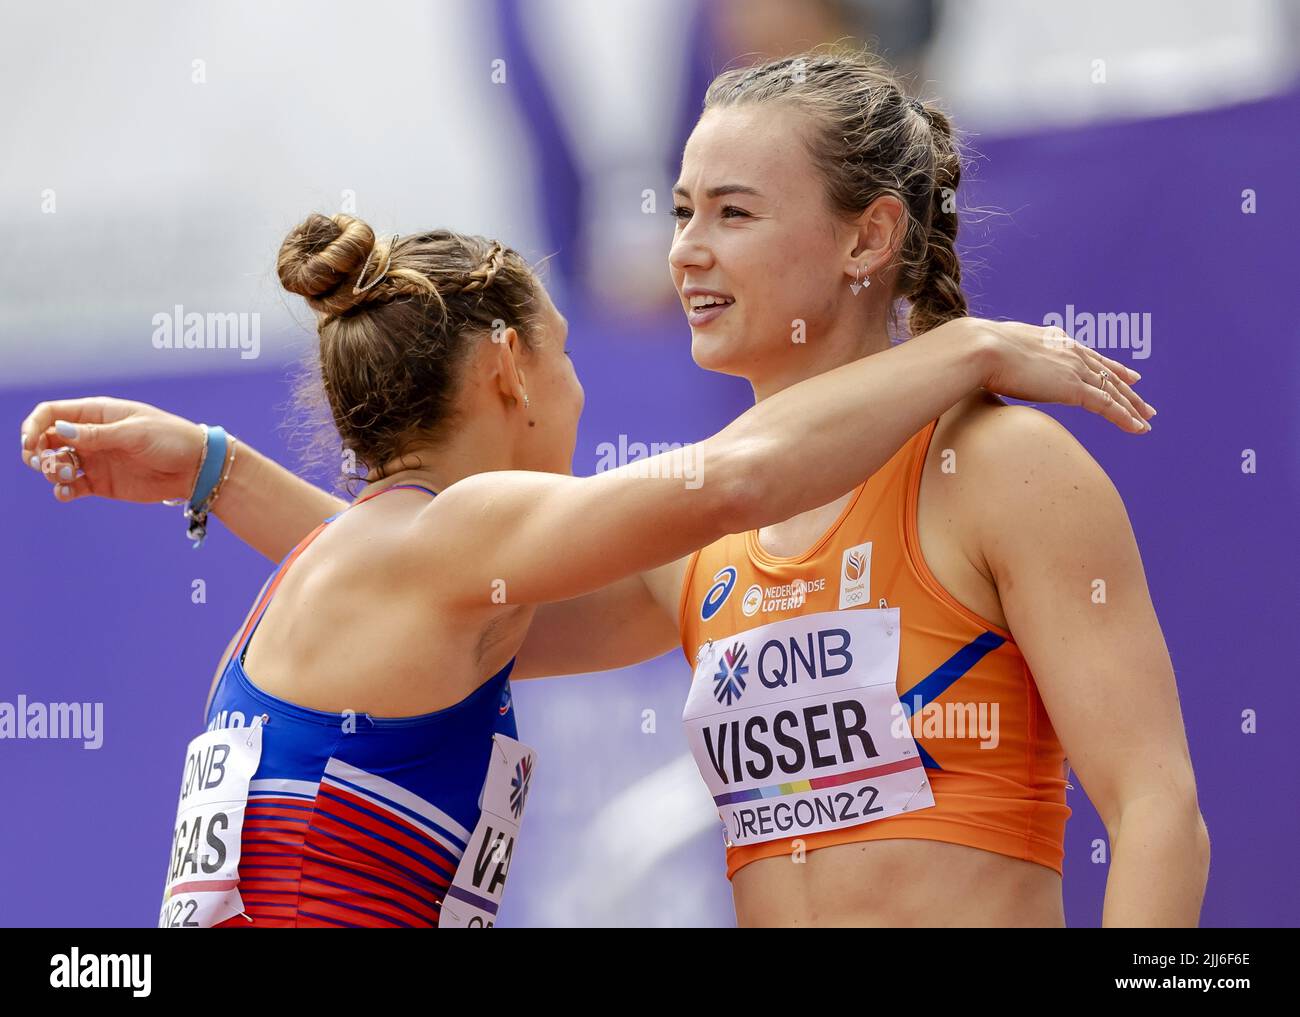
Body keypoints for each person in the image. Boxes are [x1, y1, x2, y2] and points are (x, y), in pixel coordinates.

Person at [20, 207, 1143, 928]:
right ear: (508, 368)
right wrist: (962, 347)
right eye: (565, 355)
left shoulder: (358, 563)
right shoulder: (459, 533)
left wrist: (218, 467)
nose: (581, 392)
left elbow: (568, 602)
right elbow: (731, 484)